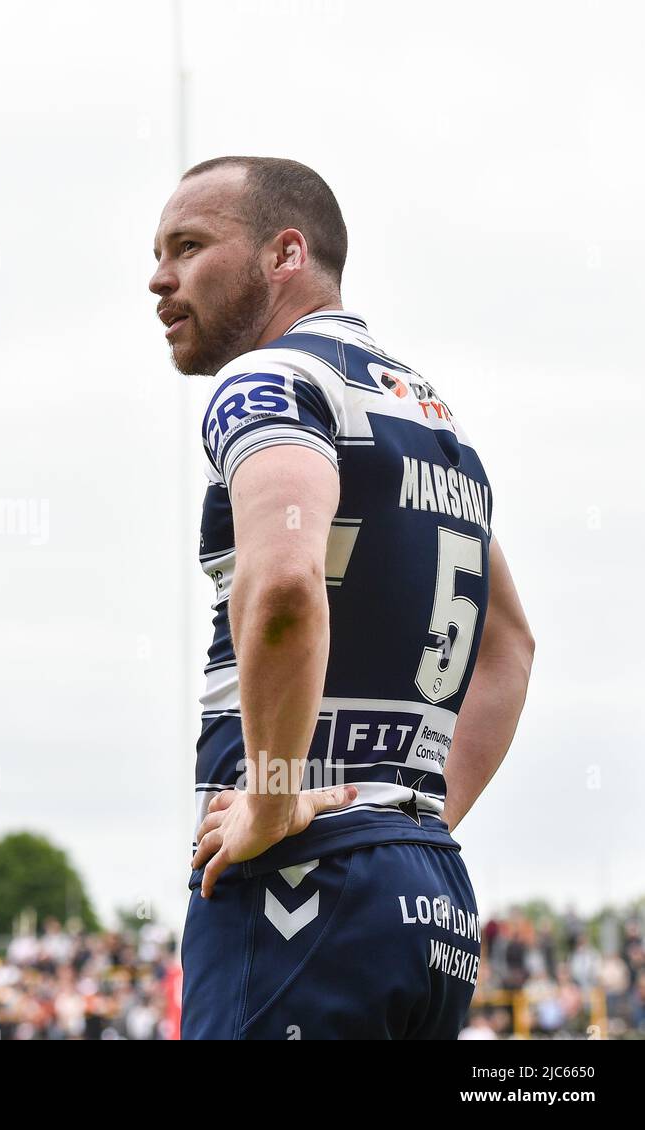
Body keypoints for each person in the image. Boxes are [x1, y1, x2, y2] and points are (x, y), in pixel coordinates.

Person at [149, 156, 535, 1039]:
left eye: (190, 246)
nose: (159, 277)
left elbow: (283, 584)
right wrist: (410, 821)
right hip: (427, 892)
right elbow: (509, 647)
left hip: (299, 880)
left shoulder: (266, 383)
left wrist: (277, 797)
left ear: (285, 253)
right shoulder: (434, 421)